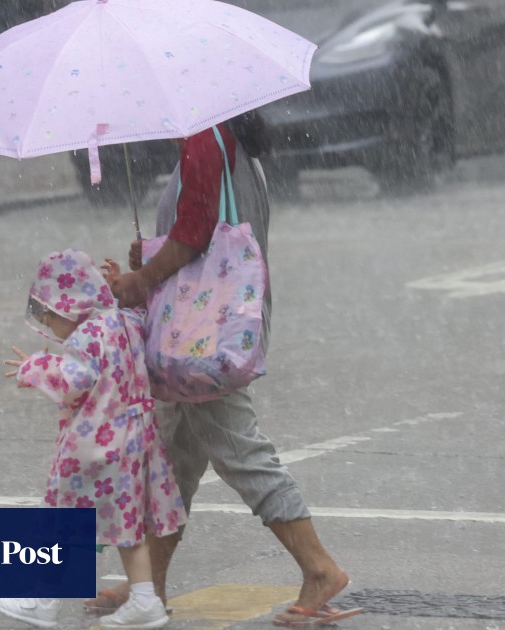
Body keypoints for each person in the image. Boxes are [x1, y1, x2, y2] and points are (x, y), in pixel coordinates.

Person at [98, 114, 361, 627]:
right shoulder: (225, 137)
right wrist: (153, 252)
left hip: (203, 334)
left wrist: (144, 277)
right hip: (207, 323)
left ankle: (320, 567)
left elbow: (196, 234)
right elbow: (199, 231)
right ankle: (148, 586)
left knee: (237, 447)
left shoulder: (205, 135)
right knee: (174, 455)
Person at [0, 249, 186, 629]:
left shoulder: (86, 337)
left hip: (96, 446)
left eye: (50, 318)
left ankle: (42, 600)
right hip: (134, 441)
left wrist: (34, 368)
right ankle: (145, 599)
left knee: (65, 521)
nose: (50, 328)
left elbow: (73, 382)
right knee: (127, 523)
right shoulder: (125, 322)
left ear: (70, 307)